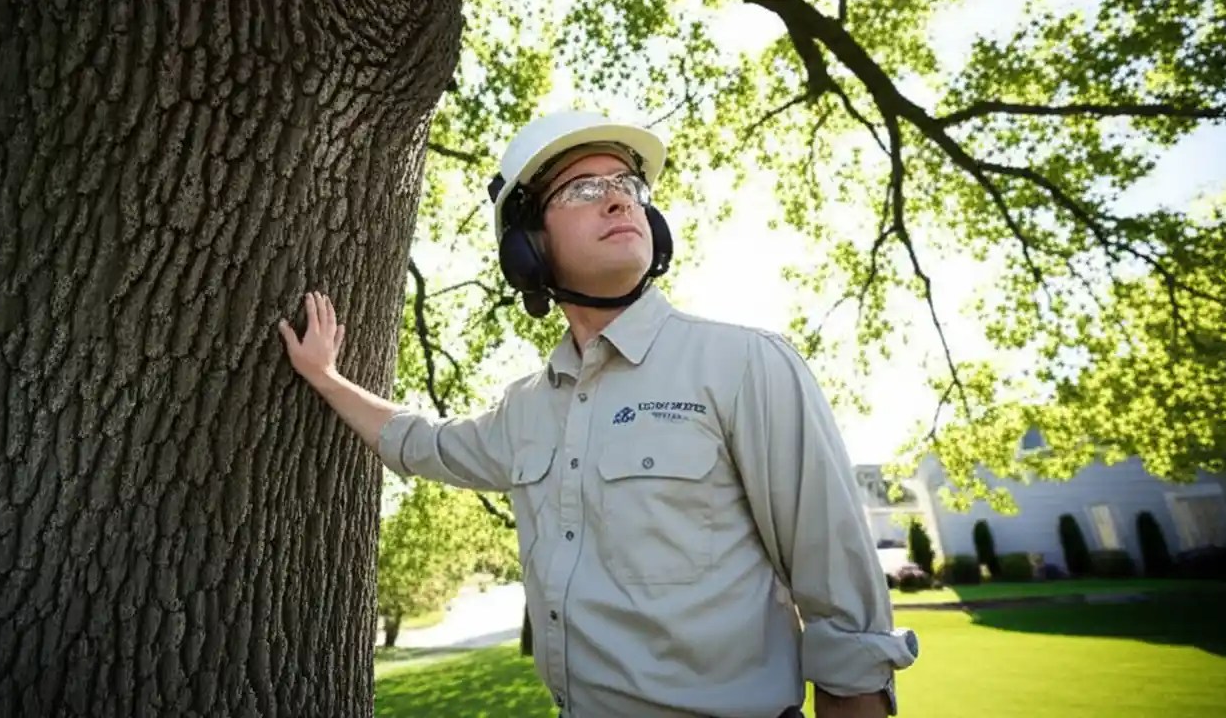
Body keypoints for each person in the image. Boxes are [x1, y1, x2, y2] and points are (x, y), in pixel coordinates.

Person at [278, 110, 918, 718]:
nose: (619, 200)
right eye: (584, 188)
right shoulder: (525, 407)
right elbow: (420, 443)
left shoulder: (746, 363)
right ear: (528, 248)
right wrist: (326, 378)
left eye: (628, 184)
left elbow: (844, 604)